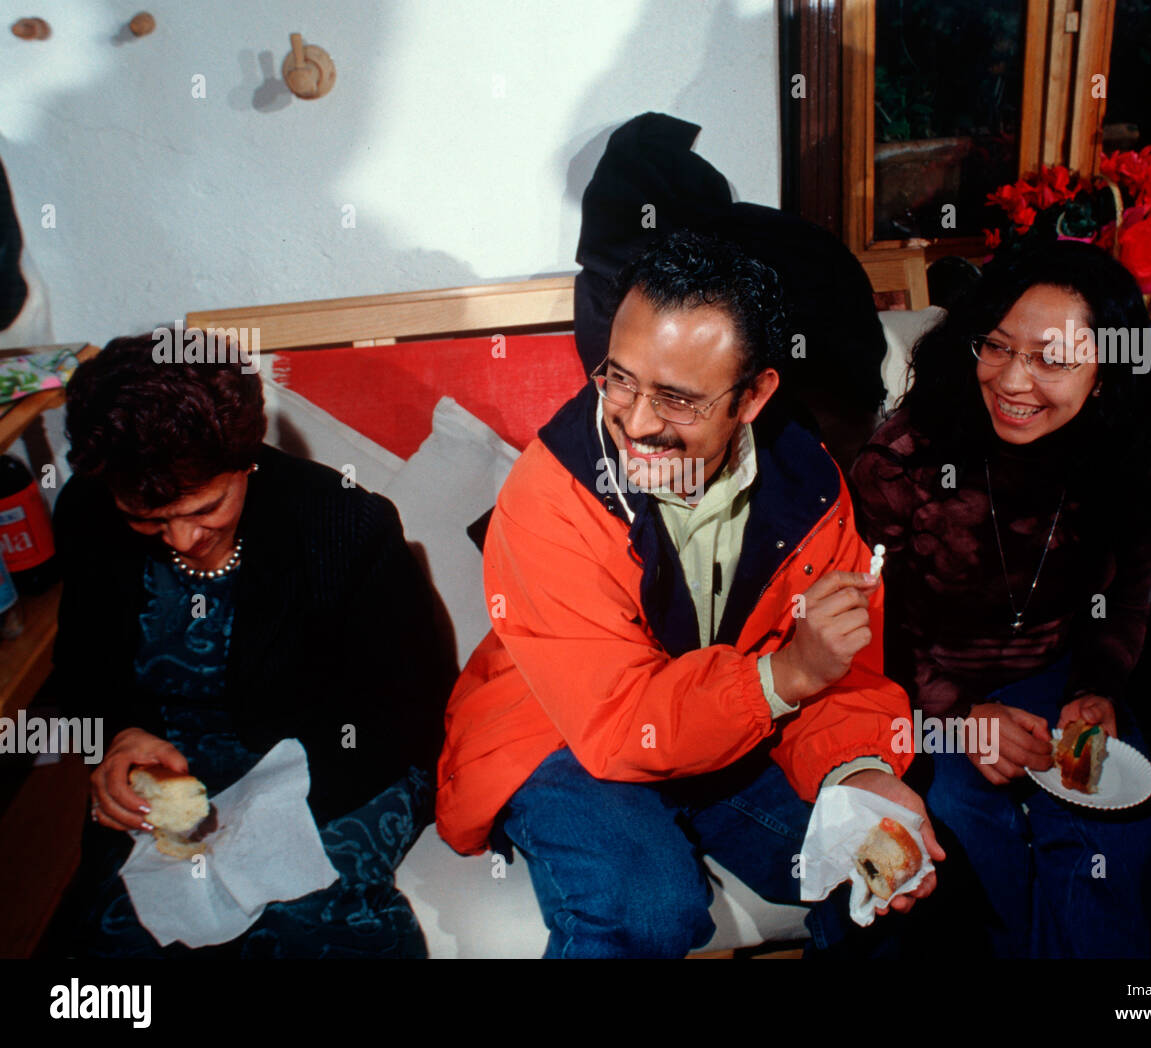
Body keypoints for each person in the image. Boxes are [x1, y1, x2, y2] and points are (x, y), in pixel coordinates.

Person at [436, 230, 943, 958]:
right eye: (619, 379)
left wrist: (859, 772)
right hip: (563, 730)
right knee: (646, 908)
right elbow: (618, 722)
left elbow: (845, 670)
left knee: (878, 870)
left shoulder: (813, 485)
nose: (638, 423)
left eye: (677, 399)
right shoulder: (551, 493)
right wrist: (783, 676)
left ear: (756, 393)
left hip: (733, 724)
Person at [49, 334, 457, 958]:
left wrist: (253, 821)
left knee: (302, 917)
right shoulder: (87, 512)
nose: (181, 539)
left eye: (206, 507)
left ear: (246, 461)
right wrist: (116, 738)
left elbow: (405, 722)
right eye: (149, 520)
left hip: (334, 764)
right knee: (117, 939)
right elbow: (80, 678)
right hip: (171, 774)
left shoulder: (346, 525)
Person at [850, 240, 1151, 958]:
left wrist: (1098, 687)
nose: (1013, 380)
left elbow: (1126, 598)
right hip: (919, 690)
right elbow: (869, 634)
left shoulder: (1128, 462)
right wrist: (960, 715)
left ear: (1105, 374)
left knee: (1122, 835)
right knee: (971, 832)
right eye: (997, 347)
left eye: (1053, 359)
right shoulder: (902, 461)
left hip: (1057, 676)